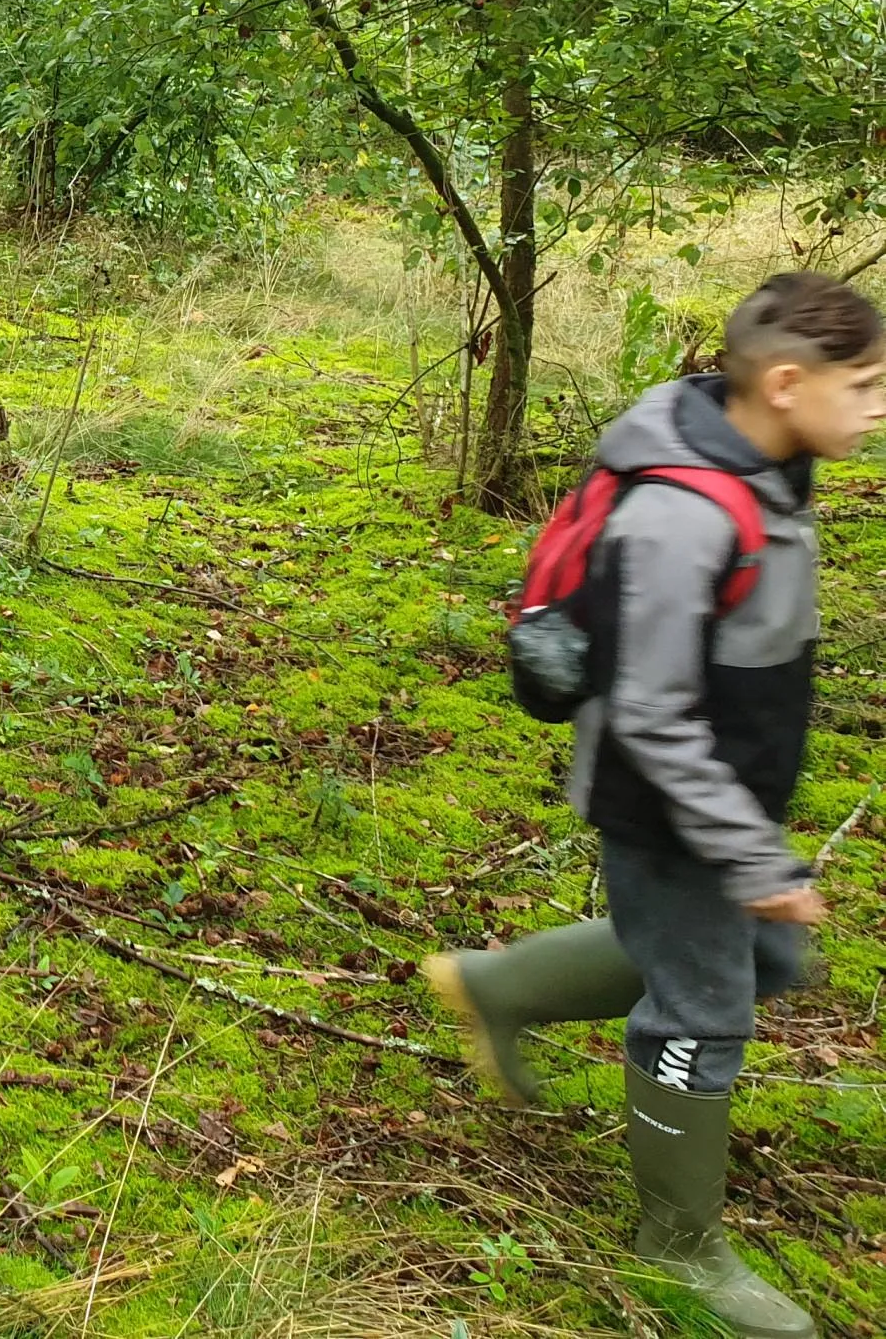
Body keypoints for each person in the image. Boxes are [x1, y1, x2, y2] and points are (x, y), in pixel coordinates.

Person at [425, 271, 886, 1339]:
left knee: (764, 961)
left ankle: (495, 985)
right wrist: (751, 857)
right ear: (783, 382)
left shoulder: (772, 460)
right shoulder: (683, 513)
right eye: (862, 385)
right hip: (669, 802)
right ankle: (678, 1250)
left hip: (720, 796)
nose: (874, 407)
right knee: (705, 1008)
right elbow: (649, 713)